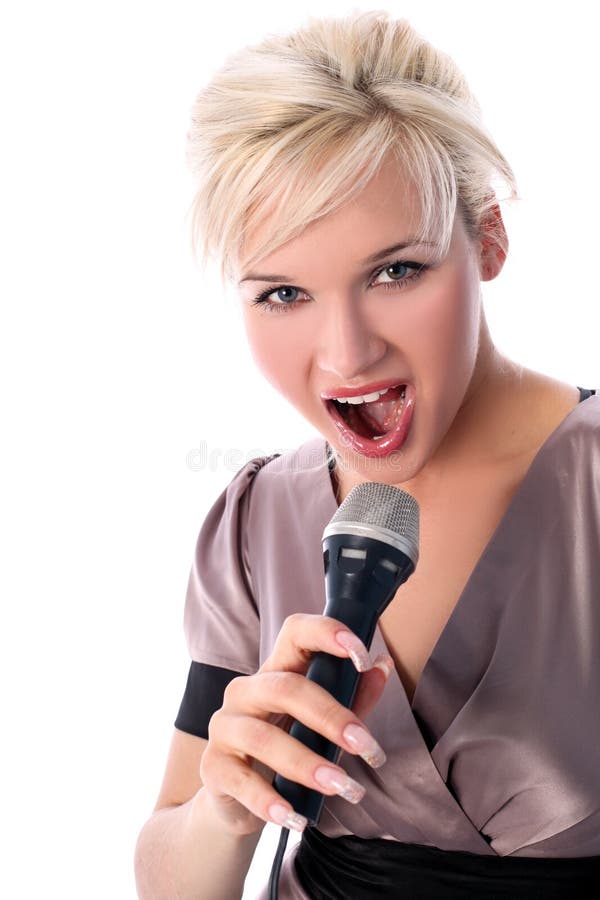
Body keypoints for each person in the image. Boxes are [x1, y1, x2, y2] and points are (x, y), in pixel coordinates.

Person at [134, 11, 600, 899]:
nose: (347, 355)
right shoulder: (258, 518)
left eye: (396, 272)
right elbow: (171, 881)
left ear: (488, 238)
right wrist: (222, 813)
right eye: (284, 293)